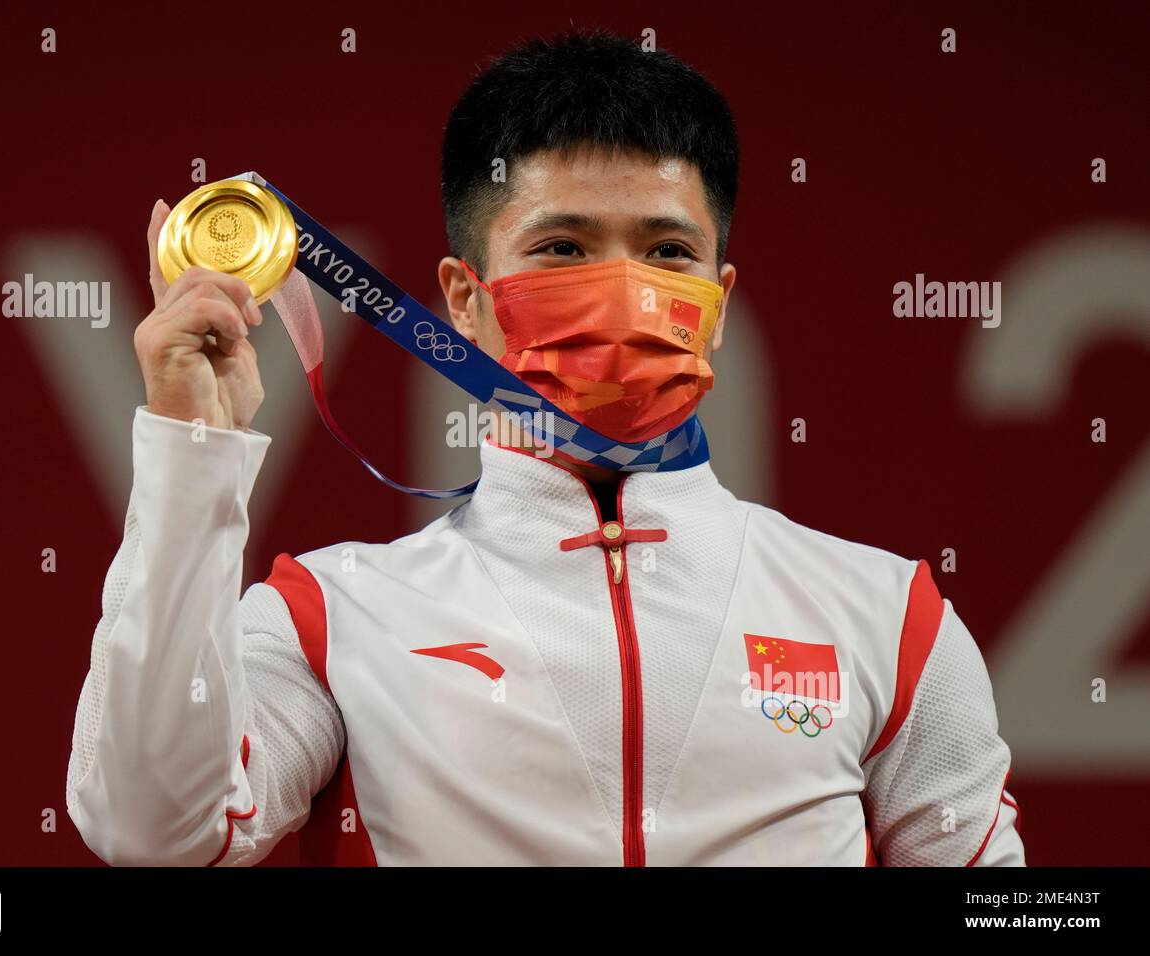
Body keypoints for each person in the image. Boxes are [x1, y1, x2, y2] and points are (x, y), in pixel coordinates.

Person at [66, 28, 1024, 866]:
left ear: (720, 304)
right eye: (562, 249)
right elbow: (155, 830)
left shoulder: (888, 620)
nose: (622, 289)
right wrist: (193, 451)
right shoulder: (334, 620)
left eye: (667, 252)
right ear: (464, 298)